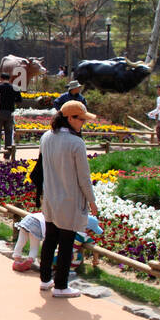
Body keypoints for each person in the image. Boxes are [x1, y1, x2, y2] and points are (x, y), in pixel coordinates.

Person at [38, 100, 99, 298]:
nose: (83, 124)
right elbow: (84, 178)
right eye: (81, 120)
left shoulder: (46, 137)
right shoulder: (76, 143)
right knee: (66, 243)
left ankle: (45, 279)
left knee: (50, 239)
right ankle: (61, 286)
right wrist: (92, 200)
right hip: (69, 201)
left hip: (49, 198)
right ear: (70, 118)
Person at [11, 212, 102, 273]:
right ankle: (31, 259)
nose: (92, 233)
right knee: (34, 246)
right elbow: (94, 246)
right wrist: (95, 259)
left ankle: (17, 258)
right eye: (92, 231)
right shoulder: (82, 235)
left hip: (29, 219)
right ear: (87, 229)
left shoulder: (68, 225)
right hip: (40, 226)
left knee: (21, 241)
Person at [0, 73, 21, 159]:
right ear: (9, 79)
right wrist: (12, 101)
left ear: (1, 78)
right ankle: (7, 153)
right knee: (8, 133)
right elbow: (19, 100)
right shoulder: (14, 87)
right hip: (10, 113)